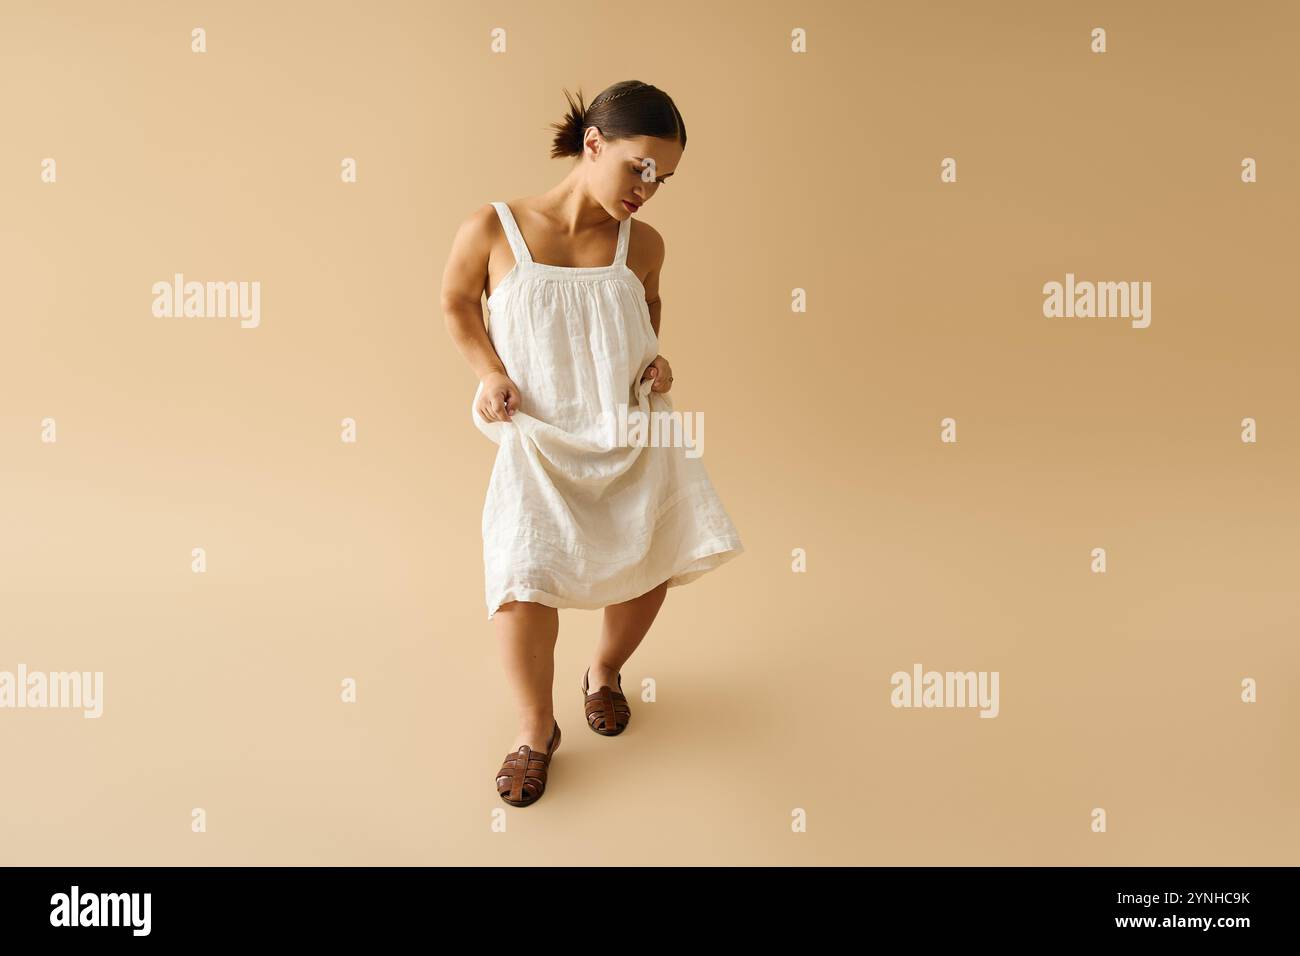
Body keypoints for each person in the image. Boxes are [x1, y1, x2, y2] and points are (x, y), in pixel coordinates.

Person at [441, 80, 743, 807]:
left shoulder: (645, 245)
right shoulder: (496, 227)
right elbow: (455, 300)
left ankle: (603, 672)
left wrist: (657, 361)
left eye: (662, 179)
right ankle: (534, 729)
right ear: (595, 143)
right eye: (640, 167)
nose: (649, 189)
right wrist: (488, 371)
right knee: (521, 580)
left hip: (631, 429)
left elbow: (647, 316)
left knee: (647, 563)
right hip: (538, 438)